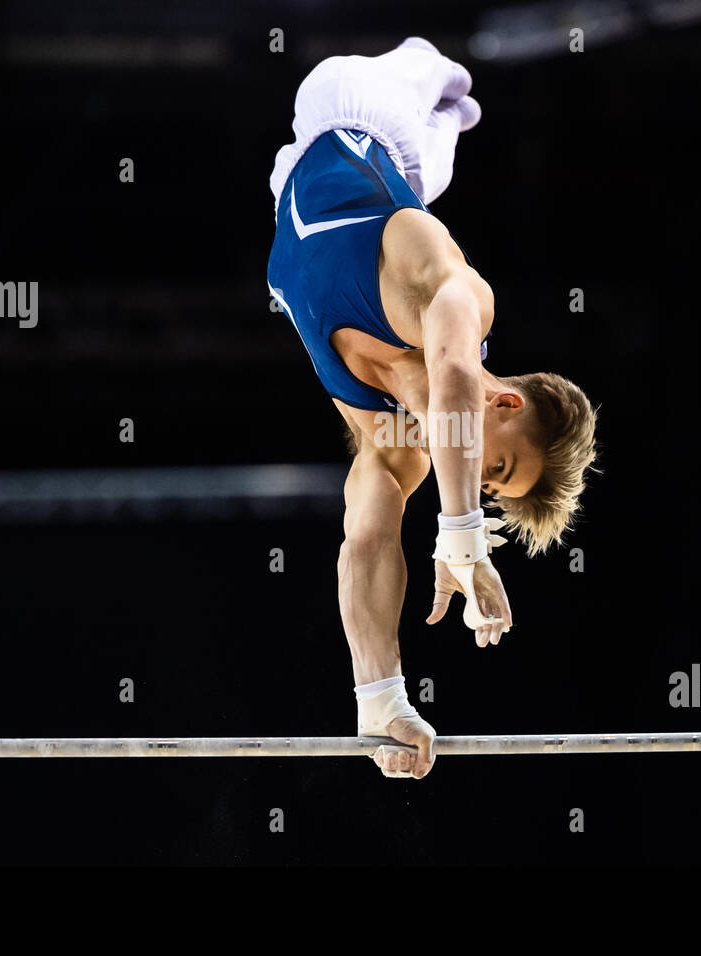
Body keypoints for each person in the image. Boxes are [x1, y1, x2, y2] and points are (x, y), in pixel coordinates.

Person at [266, 38, 599, 779]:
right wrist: (461, 532)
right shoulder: (459, 295)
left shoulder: (393, 442)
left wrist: (381, 697)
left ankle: (456, 111)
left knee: (436, 151)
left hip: (292, 184)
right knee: (438, 97)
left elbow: (367, 543)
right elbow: (450, 373)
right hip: (362, 109)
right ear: (507, 401)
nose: (476, 478)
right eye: (501, 465)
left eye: (487, 488)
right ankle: (449, 79)